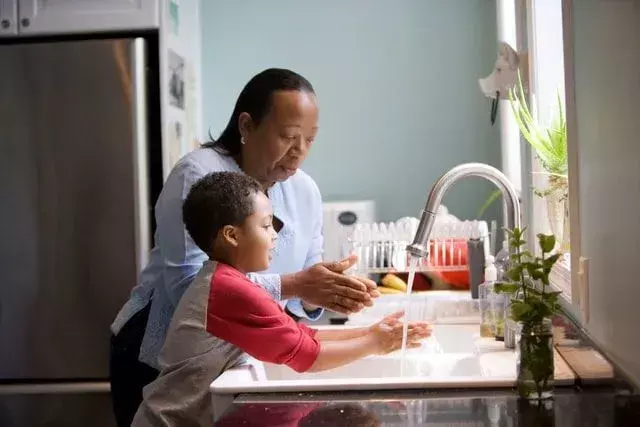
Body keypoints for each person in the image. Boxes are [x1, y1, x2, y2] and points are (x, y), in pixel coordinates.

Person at [109, 68, 379, 426]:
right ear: (247, 126)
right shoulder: (199, 175)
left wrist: (328, 290)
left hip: (233, 361)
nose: (299, 152)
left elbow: (302, 297)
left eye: (310, 140)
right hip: (157, 359)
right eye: (288, 136)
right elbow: (189, 290)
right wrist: (296, 283)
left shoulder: (305, 191)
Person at [131, 172, 431, 426]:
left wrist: (371, 332)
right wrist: (375, 343)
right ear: (231, 235)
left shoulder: (228, 281)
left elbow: (303, 334)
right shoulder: (227, 290)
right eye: (265, 225)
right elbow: (308, 356)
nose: (274, 235)